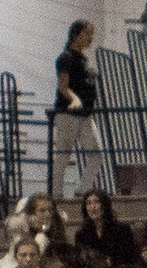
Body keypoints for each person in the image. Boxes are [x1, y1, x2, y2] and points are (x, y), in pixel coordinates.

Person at [53, 20, 101, 197]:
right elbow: (63, 86)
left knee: (96, 154)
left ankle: (82, 191)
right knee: (63, 156)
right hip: (69, 113)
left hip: (85, 114)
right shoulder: (66, 58)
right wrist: (75, 100)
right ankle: (56, 195)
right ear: (76, 35)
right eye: (88, 33)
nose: (91, 38)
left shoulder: (83, 59)